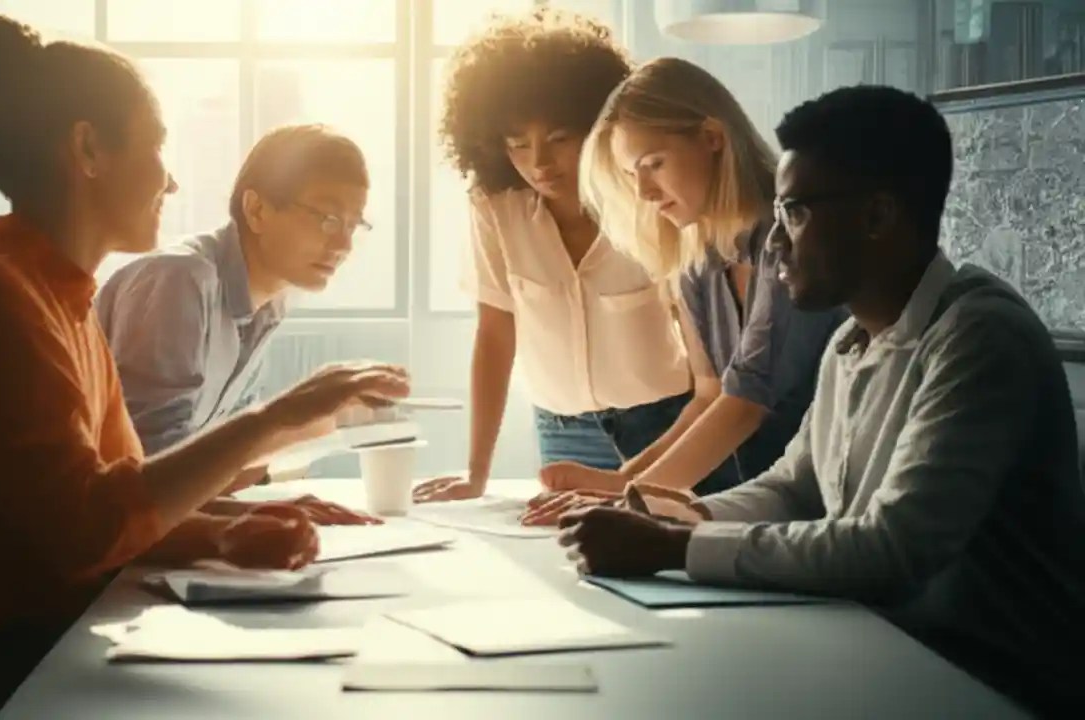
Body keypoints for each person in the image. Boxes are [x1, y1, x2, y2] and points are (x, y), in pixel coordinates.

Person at [0, 14, 407, 719]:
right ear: (89, 149)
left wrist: (222, 533)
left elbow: (105, 503)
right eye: (157, 147)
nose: (174, 180)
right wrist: (276, 420)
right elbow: (83, 532)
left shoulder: (54, 299)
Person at [558, 85, 1085, 715]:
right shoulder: (850, 341)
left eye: (797, 213)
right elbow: (795, 485)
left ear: (878, 216)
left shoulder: (978, 337)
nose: (776, 242)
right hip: (888, 656)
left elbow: (893, 546)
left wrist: (674, 549)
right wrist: (681, 517)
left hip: (992, 683)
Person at [522, 57, 845, 525]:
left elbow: (744, 406)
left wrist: (630, 498)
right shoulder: (699, 259)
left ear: (713, 138)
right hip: (765, 506)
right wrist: (622, 480)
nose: (646, 193)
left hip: (832, 501)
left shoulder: (790, 239)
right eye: (633, 176)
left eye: (653, 164)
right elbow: (709, 395)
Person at [414, 9, 697, 503]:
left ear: (598, 127)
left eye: (559, 139)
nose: (539, 162)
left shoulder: (650, 199)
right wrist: (475, 473)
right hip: (561, 431)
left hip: (666, 422)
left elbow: (703, 343)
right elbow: (495, 335)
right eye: (518, 144)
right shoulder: (493, 208)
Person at [97, 124, 380, 525]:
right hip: (87, 554)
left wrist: (328, 420)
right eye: (328, 218)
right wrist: (257, 511)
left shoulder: (269, 302)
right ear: (257, 210)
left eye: (354, 225)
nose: (344, 245)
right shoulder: (181, 279)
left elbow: (217, 463)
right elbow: (152, 467)